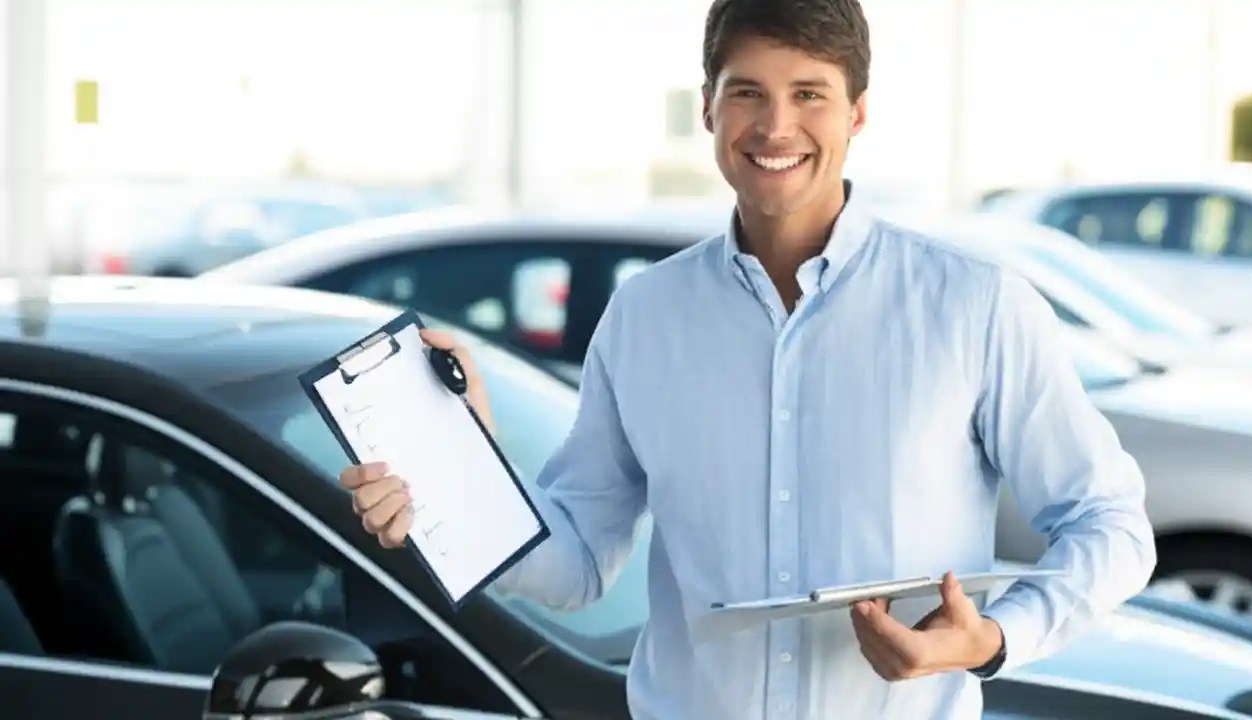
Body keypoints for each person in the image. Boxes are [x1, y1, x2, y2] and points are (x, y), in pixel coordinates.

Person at [339, 0, 1157, 717]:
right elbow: (579, 562)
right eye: (748, 93)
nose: (775, 128)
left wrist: (992, 637)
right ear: (707, 109)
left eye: (809, 94)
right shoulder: (643, 316)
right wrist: (458, 485)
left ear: (857, 114)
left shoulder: (975, 307)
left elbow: (1111, 525)